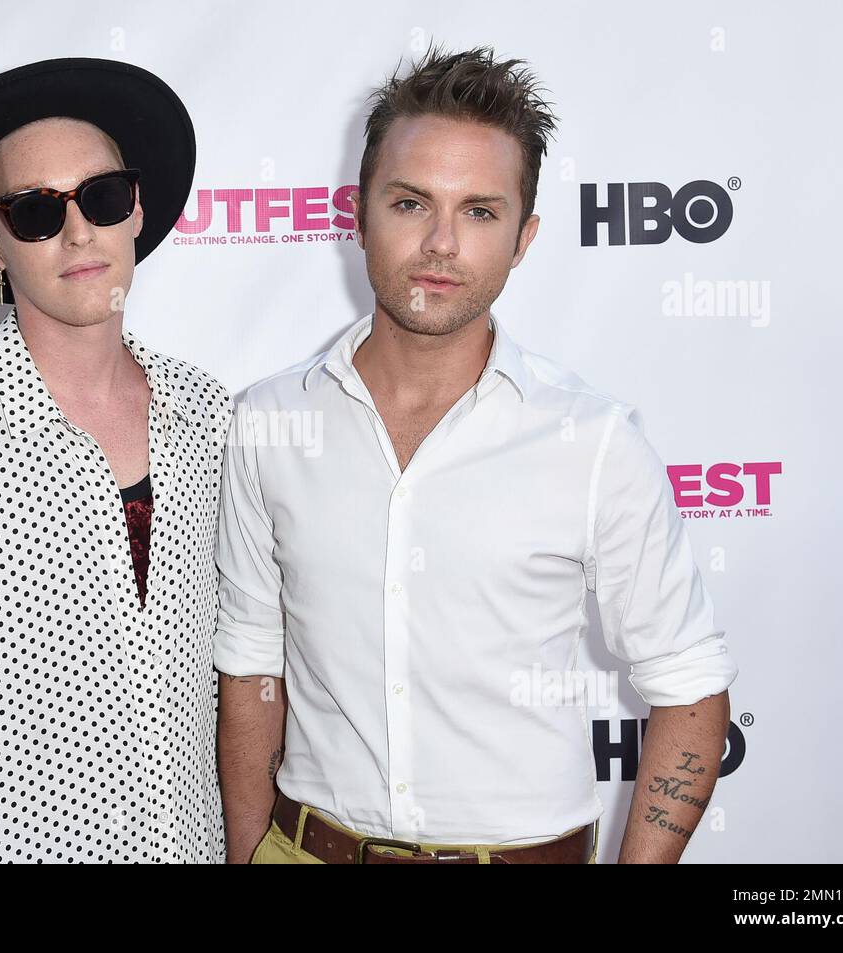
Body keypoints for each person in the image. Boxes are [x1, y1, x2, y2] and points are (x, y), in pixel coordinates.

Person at [214, 44, 737, 864]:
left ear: (525, 237)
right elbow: (250, 663)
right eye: (412, 202)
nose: (442, 244)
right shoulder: (270, 421)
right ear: (358, 212)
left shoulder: (594, 441)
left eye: (481, 212)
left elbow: (690, 688)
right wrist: (252, 853)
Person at [0, 57, 231, 863]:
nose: (77, 231)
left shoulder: (208, 414)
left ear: (135, 209)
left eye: (100, 196)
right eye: (33, 211)